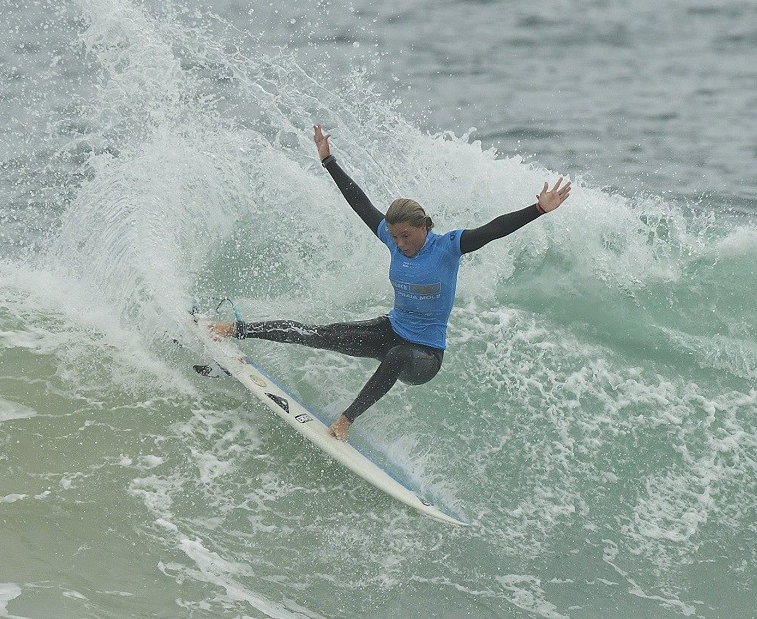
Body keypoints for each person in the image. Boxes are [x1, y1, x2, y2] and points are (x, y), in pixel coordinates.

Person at [210, 124, 571, 441]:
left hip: (424, 356)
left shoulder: (448, 247)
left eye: (405, 236)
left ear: (424, 227)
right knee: (318, 333)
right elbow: (360, 202)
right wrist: (328, 160)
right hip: (392, 330)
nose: (399, 244)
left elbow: (494, 229)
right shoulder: (392, 238)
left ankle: (346, 421)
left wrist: (538, 209)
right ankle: (234, 329)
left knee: (398, 355)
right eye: (394, 237)